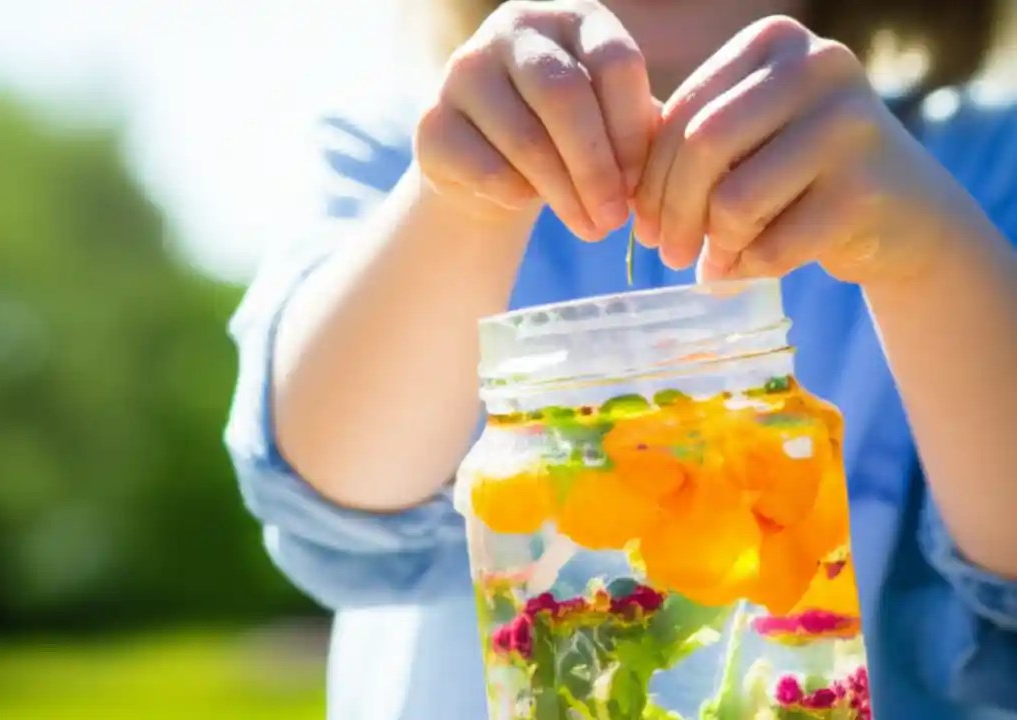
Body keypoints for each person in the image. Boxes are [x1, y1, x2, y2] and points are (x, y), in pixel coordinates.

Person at [224, 0, 1017, 717]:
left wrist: (930, 258)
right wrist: (459, 203)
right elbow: (329, 489)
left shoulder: (979, 168)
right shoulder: (401, 149)